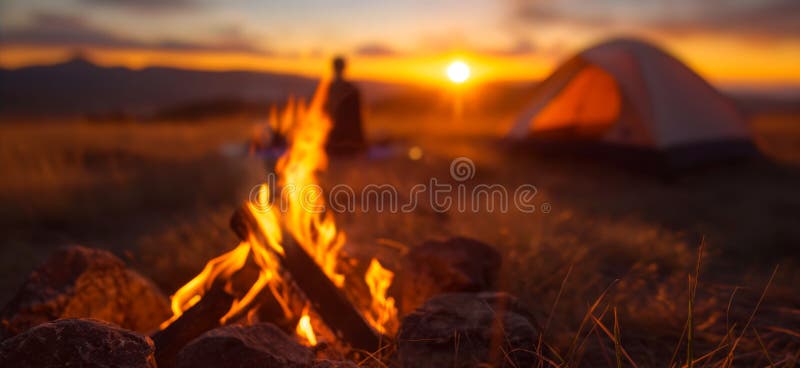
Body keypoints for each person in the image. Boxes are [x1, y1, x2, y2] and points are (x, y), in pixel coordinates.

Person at [324, 56, 367, 153]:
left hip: (342, 138)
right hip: (341, 137)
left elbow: (357, 119)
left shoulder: (349, 90)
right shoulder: (350, 89)